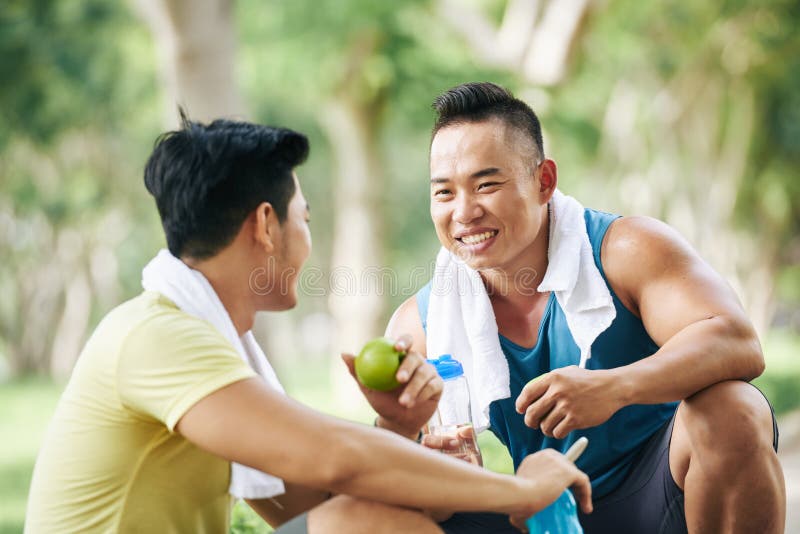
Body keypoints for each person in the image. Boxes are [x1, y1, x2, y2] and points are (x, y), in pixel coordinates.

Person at [24, 115, 592, 534]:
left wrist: (397, 428)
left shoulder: (199, 337)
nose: (308, 240)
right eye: (305, 218)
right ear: (265, 226)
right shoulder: (159, 336)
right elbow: (337, 462)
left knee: (374, 515)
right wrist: (518, 490)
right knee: (369, 524)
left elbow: (303, 505)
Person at [368, 82, 786, 534]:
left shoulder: (626, 249)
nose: (464, 212)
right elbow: (387, 472)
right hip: (533, 509)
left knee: (733, 408)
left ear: (544, 181)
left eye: (486, 185)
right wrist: (440, 477)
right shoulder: (421, 323)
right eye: (444, 193)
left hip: (657, 497)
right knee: (378, 510)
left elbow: (737, 340)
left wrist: (616, 386)